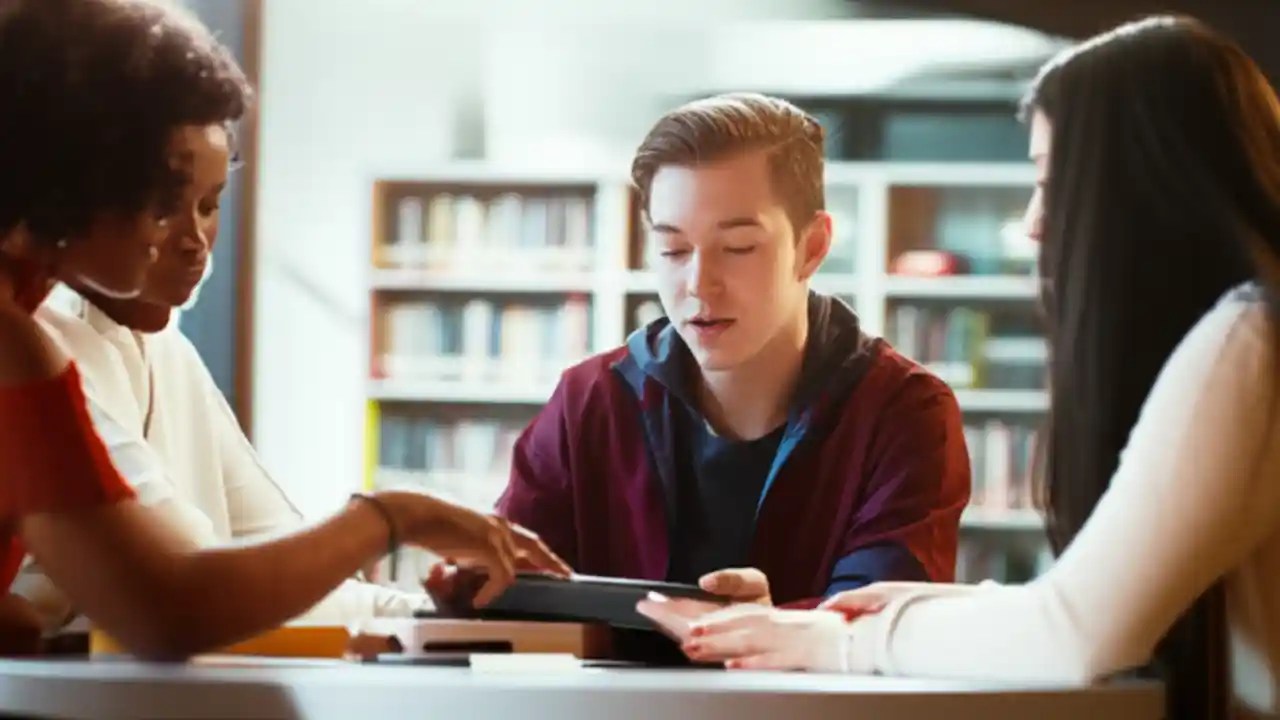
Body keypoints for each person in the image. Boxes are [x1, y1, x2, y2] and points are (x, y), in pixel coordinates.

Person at [637, 15, 1280, 720]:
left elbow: (1076, 633)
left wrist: (831, 638)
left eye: (1048, 178)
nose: (1034, 221)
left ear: (1140, 181)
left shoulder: (1251, 340)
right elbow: (1099, 600)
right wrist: (930, 607)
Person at [0, 0, 565, 659]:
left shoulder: (54, 333)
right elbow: (165, 609)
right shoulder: (23, 344)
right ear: (79, 178)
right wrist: (391, 516)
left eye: (206, 204)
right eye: (159, 198)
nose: (183, 237)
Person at [482, 93, 970, 610]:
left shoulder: (904, 413)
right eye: (672, 250)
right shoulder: (589, 400)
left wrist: (776, 628)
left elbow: (883, 625)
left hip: (807, 694)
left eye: (738, 248)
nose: (699, 285)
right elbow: (506, 588)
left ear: (811, 248)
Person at [17, 119, 430, 631]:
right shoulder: (36, 345)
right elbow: (186, 591)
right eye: (164, 209)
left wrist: (423, 613)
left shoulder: (170, 353)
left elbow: (276, 566)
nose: (194, 241)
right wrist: (395, 517)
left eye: (209, 206)